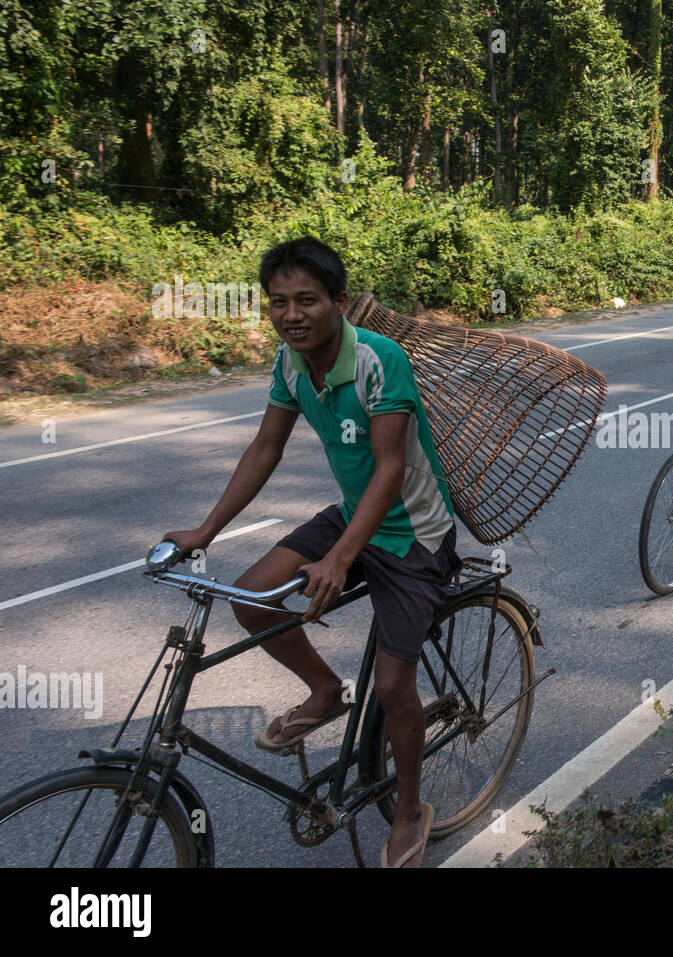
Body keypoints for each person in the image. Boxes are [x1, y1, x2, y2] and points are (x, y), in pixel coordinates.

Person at [162, 237, 458, 868]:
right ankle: (325, 690)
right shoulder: (291, 364)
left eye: (306, 300)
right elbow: (264, 450)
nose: (291, 314)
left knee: (394, 684)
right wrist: (205, 530)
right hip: (354, 519)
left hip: (413, 534)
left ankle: (407, 811)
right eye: (277, 303)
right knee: (251, 600)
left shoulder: (381, 361)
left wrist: (340, 559)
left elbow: (389, 468)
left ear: (337, 303)